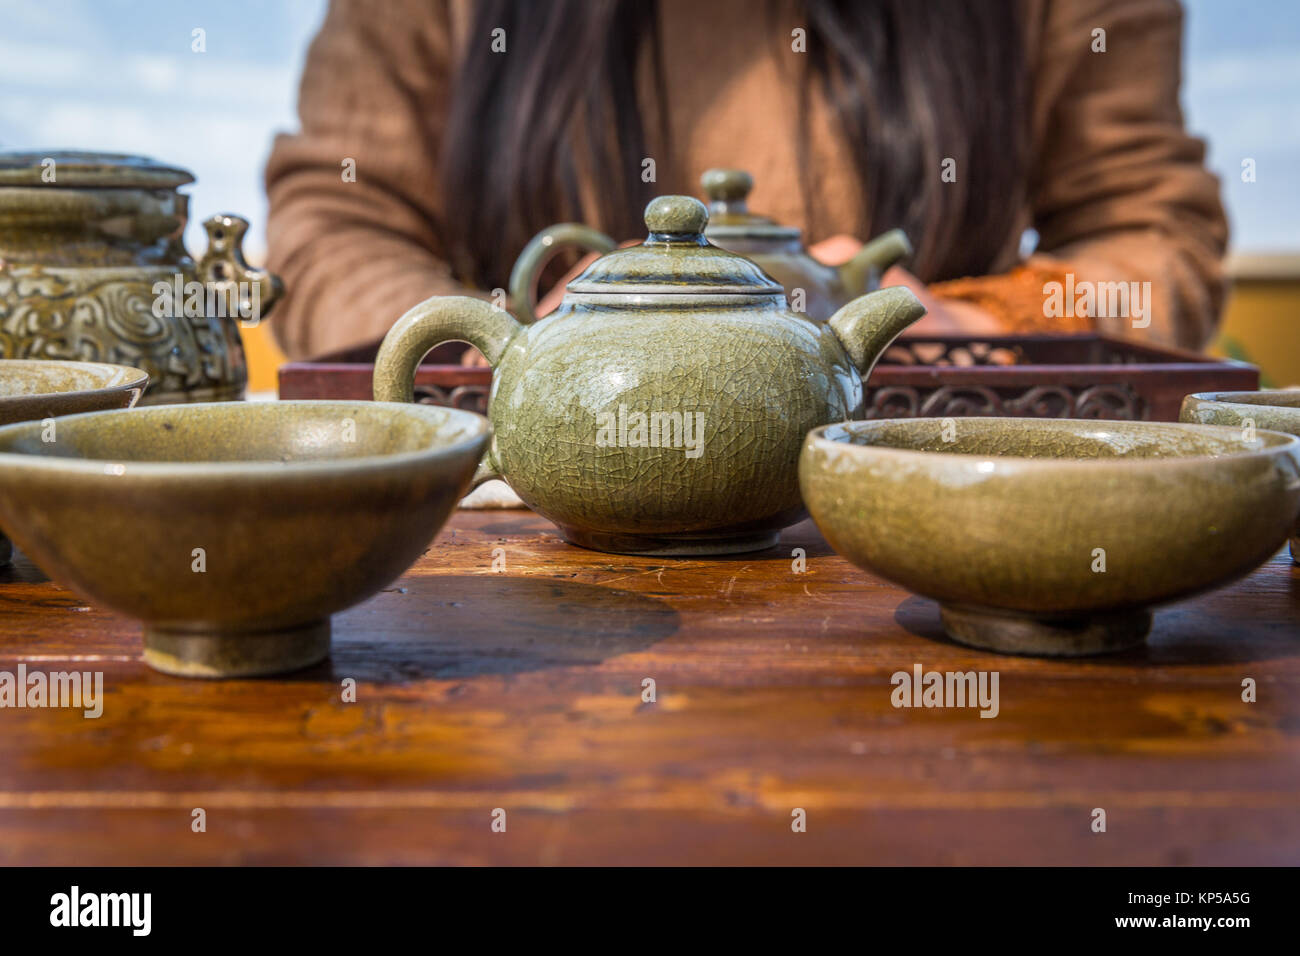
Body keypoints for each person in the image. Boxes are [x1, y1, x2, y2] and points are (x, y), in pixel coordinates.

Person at [265, 0, 1227, 361]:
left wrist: (983, 323)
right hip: (511, 535)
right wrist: (496, 349)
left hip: (940, 487)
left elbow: (1153, 232)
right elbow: (335, 218)